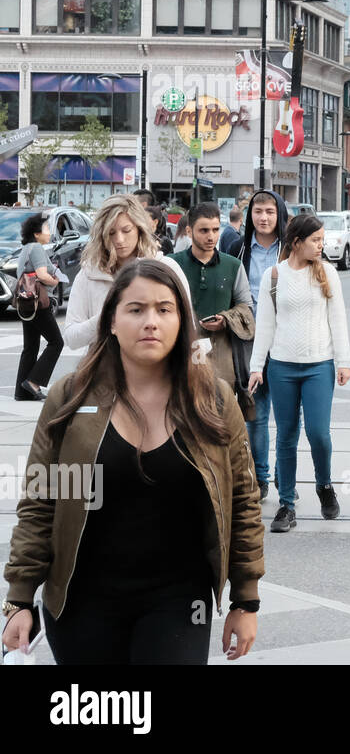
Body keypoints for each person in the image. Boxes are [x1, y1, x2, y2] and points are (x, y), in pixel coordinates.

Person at [2, 259, 263, 664]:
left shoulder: (211, 400)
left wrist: (246, 599)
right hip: (81, 599)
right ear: (111, 321)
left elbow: (244, 500)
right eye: (136, 309)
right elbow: (41, 504)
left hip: (179, 599)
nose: (151, 322)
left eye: (164, 309)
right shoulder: (70, 399)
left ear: (182, 321)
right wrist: (18, 598)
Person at [248, 214, 350, 533]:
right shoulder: (274, 276)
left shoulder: (328, 274)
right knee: (287, 436)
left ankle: (324, 485)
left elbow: (338, 319)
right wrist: (256, 367)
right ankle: (287, 505)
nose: (322, 245)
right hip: (281, 366)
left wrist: (343, 361)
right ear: (297, 242)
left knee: (319, 433)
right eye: (316, 240)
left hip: (319, 365)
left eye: (322, 239)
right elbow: (265, 324)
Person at [65, 194, 191, 352]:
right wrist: (107, 317)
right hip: (103, 370)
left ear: (139, 229)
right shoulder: (89, 274)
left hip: (156, 369)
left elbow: (187, 325)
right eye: (111, 233)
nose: (119, 239)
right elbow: (71, 337)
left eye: (126, 230)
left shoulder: (166, 268)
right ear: (101, 235)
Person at [168, 203, 255, 424]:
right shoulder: (172, 264)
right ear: (189, 231)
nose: (211, 236)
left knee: (222, 415)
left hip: (222, 354)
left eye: (216, 230)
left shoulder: (233, 265)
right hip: (182, 351)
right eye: (204, 230)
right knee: (184, 416)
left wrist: (226, 319)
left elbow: (246, 306)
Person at [240, 189, 288, 500]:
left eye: (270, 211)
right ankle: (260, 478)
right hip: (249, 342)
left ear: (279, 214)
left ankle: (287, 476)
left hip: (286, 343)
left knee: (286, 419)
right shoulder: (239, 248)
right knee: (254, 415)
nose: (264, 217)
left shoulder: (291, 249)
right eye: (258, 211)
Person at [13, 214, 64, 402]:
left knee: (31, 346)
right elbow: (42, 275)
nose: (50, 232)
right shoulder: (36, 248)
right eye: (47, 229)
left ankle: (22, 391)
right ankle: (34, 382)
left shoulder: (26, 248)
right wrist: (55, 280)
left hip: (25, 303)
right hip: (38, 302)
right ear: (36, 234)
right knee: (56, 342)